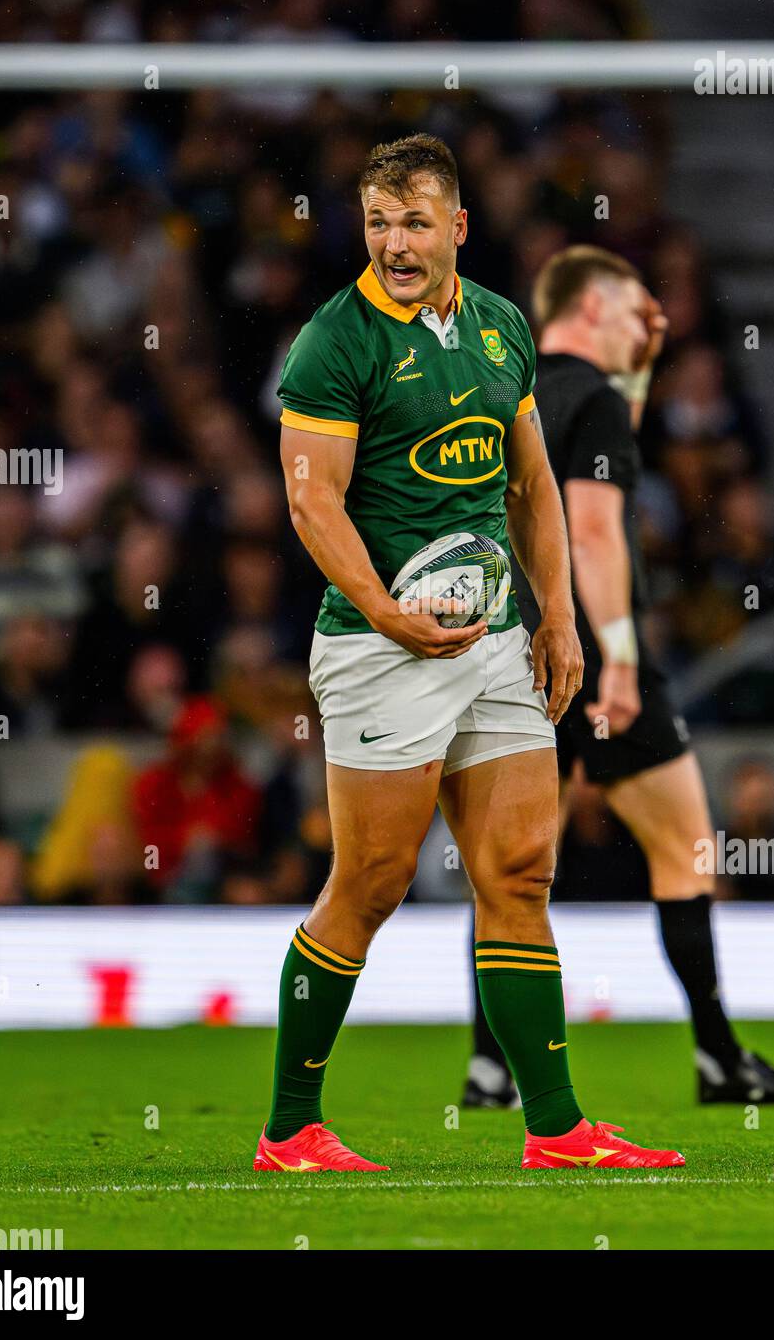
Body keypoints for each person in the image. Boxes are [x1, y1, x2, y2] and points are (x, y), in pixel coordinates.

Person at [256, 136, 685, 1173]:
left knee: (519, 868)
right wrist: (388, 614)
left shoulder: (498, 327)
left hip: (494, 637)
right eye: (376, 223)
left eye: (413, 222)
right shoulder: (335, 342)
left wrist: (558, 619)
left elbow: (531, 482)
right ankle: (289, 1131)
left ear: (455, 226)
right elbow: (310, 500)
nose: (394, 244)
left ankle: (556, 1129)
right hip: (378, 646)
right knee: (370, 879)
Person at [462, 245, 774, 1109]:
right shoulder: (594, 403)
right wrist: (619, 655)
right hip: (589, 652)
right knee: (685, 849)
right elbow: (589, 535)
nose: (647, 326)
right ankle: (717, 1058)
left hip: (508, 654)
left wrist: (636, 370)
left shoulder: (507, 392)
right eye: (634, 312)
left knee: (510, 869)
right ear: (590, 310)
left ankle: (489, 1066)